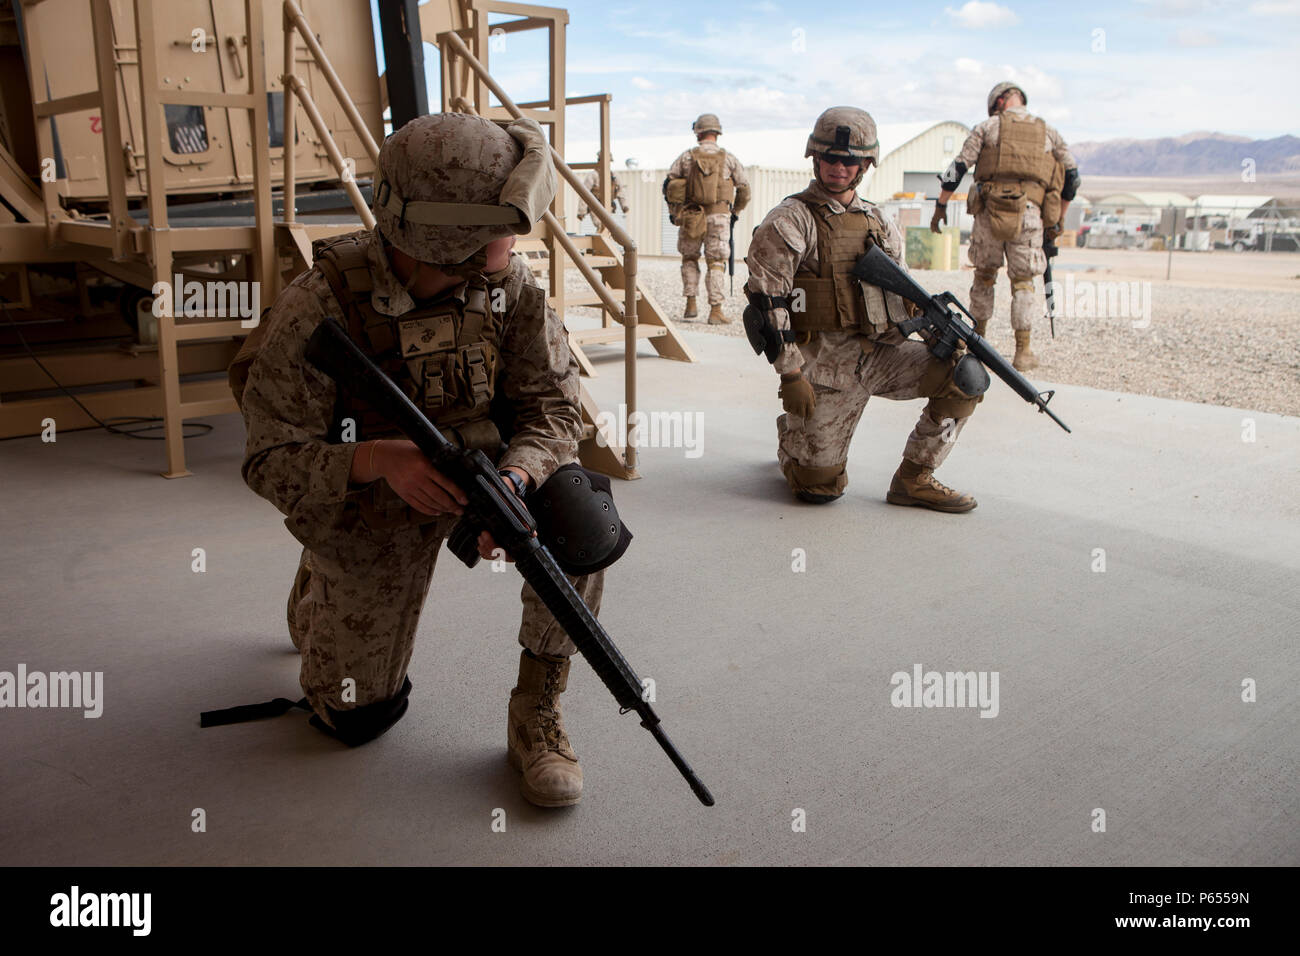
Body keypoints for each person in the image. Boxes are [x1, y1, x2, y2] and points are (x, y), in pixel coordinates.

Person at [230, 112, 627, 808]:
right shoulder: (320, 306)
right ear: (453, 240)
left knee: (577, 517)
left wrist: (517, 479)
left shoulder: (509, 288)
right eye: (505, 227)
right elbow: (270, 460)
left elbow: (553, 408)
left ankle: (536, 707)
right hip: (372, 491)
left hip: (482, 466)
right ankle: (321, 580)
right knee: (355, 717)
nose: (519, 239)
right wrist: (378, 460)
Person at [745, 107, 986, 513]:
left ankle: (915, 479)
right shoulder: (790, 219)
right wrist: (790, 374)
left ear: (866, 165)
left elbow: (907, 294)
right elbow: (769, 303)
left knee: (965, 376)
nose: (839, 168)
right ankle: (795, 442)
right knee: (819, 490)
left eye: (851, 161)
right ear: (815, 157)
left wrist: (940, 335)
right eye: (831, 158)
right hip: (825, 369)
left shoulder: (878, 220)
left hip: (883, 354)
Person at [931, 81, 1080, 371]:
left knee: (984, 277)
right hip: (1029, 213)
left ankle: (977, 346)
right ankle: (1023, 352)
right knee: (1024, 282)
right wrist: (1059, 220)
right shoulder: (1049, 133)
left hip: (989, 211)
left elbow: (957, 167)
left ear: (998, 103)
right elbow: (1073, 178)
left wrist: (941, 204)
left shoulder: (987, 127)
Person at [664, 113, 750, 323]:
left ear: (698, 132)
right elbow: (744, 189)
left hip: (692, 216)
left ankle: (691, 304)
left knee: (689, 258)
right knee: (717, 262)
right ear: (717, 133)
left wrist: (675, 213)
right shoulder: (728, 158)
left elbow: (669, 185)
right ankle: (715, 311)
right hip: (719, 217)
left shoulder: (686, 157)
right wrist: (735, 212)